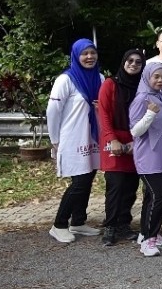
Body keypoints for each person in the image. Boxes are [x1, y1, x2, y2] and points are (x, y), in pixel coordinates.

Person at [46, 38, 104, 243]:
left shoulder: (100, 77)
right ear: (76, 56)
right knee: (79, 182)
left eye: (93, 53)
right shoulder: (66, 79)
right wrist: (54, 139)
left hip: (92, 136)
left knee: (88, 179)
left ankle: (78, 221)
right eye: (84, 54)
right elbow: (53, 111)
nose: (89, 57)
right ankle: (59, 224)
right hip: (72, 137)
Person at [97, 49, 145, 245]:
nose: (133, 64)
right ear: (124, 62)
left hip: (136, 141)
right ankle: (110, 226)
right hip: (114, 139)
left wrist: (138, 142)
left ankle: (124, 224)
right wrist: (112, 139)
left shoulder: (143, 87)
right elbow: (104, 113)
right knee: (115, 186)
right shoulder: (110, 84)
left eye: (138, 62)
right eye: (130, 61)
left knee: (131, 186)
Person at [129, 63, 162, 257]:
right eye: (156, 76)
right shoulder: (141, 99)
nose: (160, 80)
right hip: (148, 156)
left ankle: (147, 233)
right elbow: (135, 131)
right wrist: (150, 113)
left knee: (151, 196)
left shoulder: (161, 97)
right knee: (159, 196)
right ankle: (148, 241)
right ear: (147, 77)